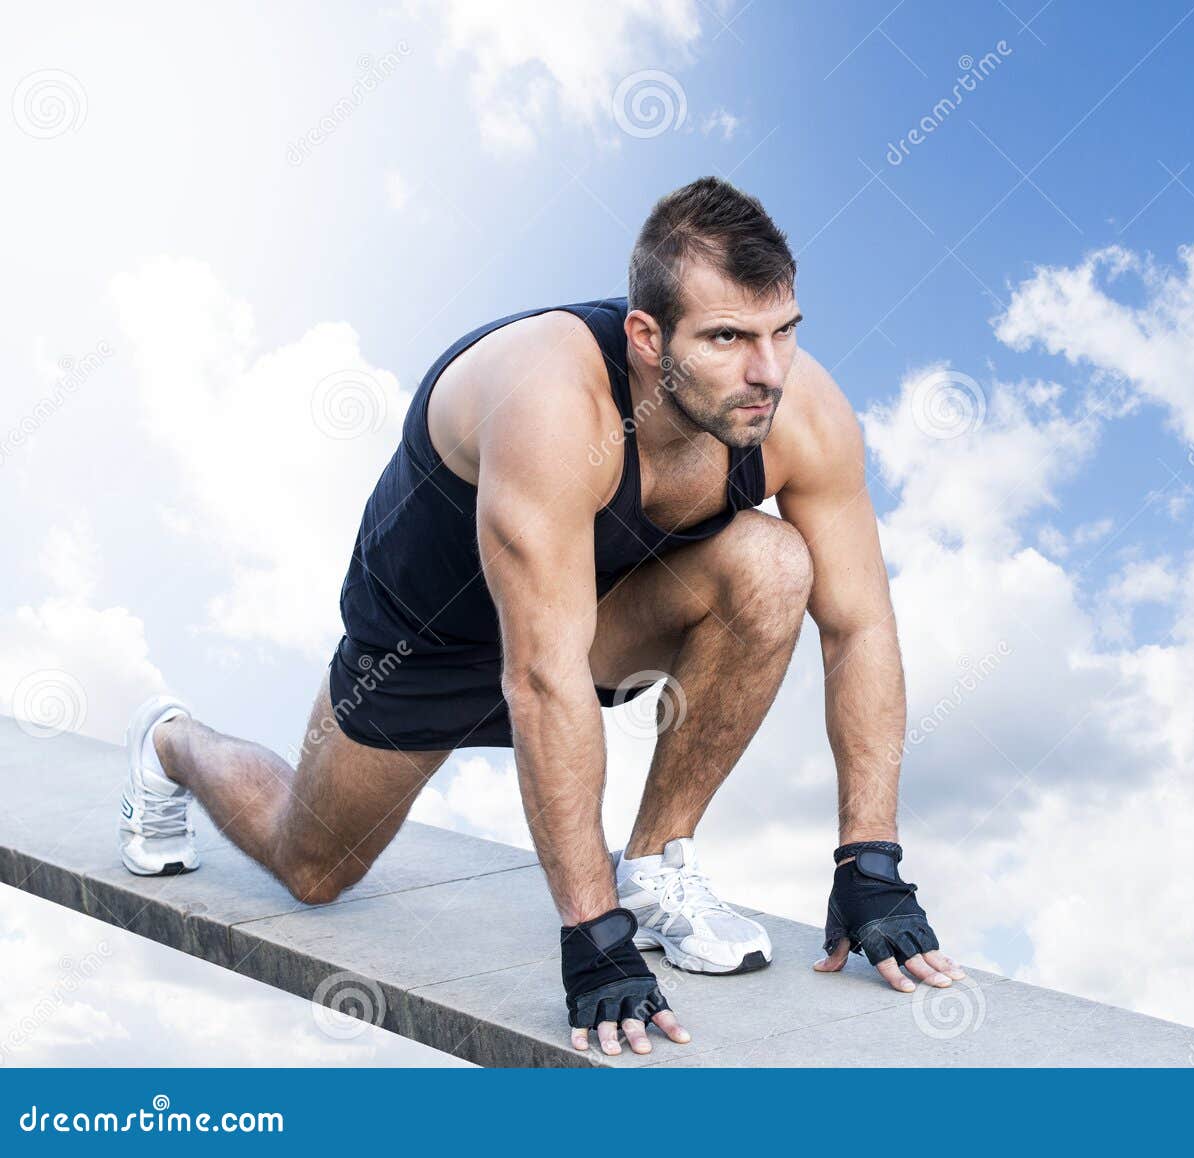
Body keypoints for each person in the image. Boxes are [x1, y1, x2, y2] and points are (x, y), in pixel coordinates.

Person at [118, 176, 962, 1057]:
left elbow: (860, 624)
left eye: (783, 331)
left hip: (593, 611)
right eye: (727, 338)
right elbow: (539, 676)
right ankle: (172, 742)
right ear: (646, 337)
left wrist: (871, 861)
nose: (768, 371)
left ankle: (657, 868)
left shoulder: (799, 413)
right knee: (312, 868)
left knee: (775, 562)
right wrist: (592, 940)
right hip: (429, 640)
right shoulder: (552, 404)